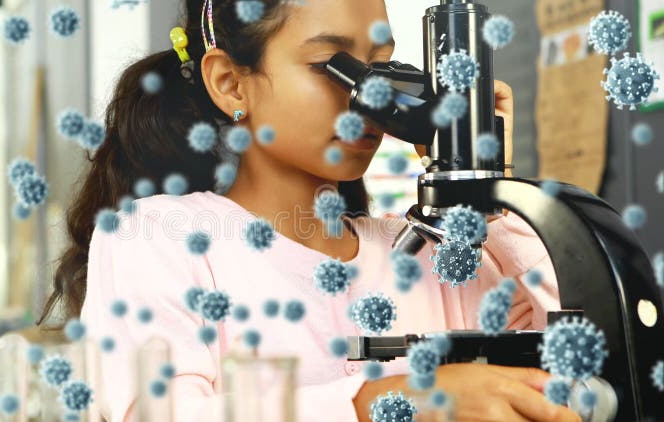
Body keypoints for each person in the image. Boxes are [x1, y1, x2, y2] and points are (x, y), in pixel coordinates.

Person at [37, 0, 579, 420]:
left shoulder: (430, 253)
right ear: (230, 82)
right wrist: (386, 401)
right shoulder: (159, 237)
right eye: (332, 66)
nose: (371, 95)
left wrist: (484, 196)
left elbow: (580, 357)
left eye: (383, 66)